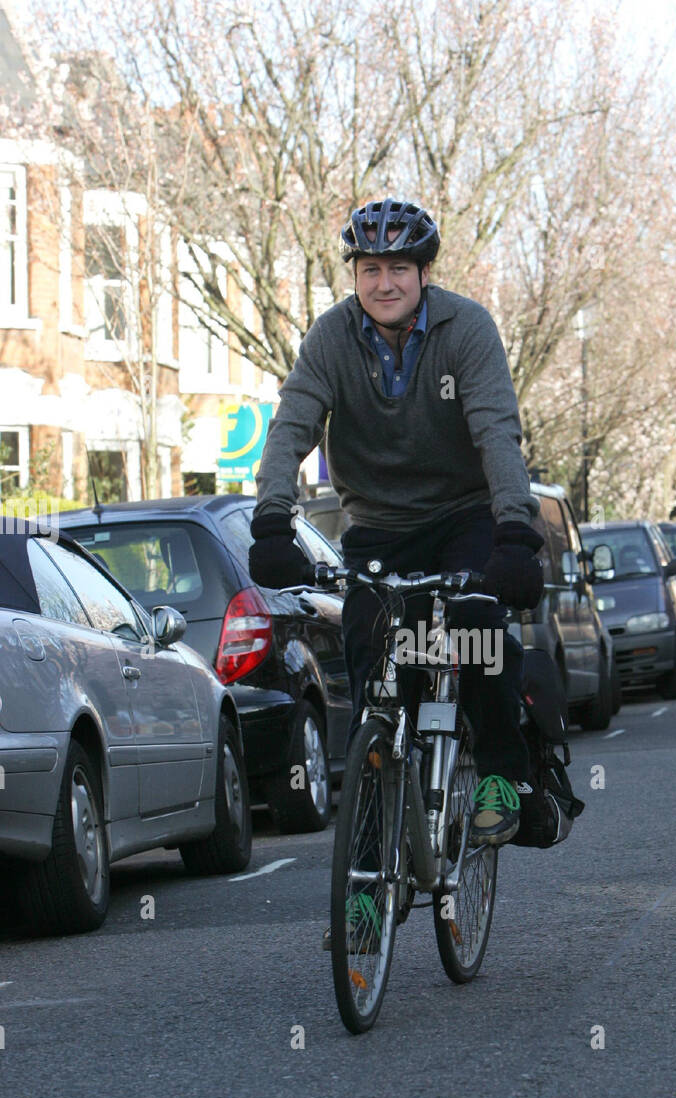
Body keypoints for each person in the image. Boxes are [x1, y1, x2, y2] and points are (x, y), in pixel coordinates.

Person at [248, 198, 545, 941]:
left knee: (475, 622)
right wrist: (271, 518)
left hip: (466, 515)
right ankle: (366, 888)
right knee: (378, 668)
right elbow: (291, 426)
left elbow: (496, 428)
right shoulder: (330, 338)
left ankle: (504, 772)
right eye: (370, 269)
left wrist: (514, 531)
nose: (384, 283)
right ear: (355, 274)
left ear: (423, 273)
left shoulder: (465, 328)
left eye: (399, 269)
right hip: (378, 524)